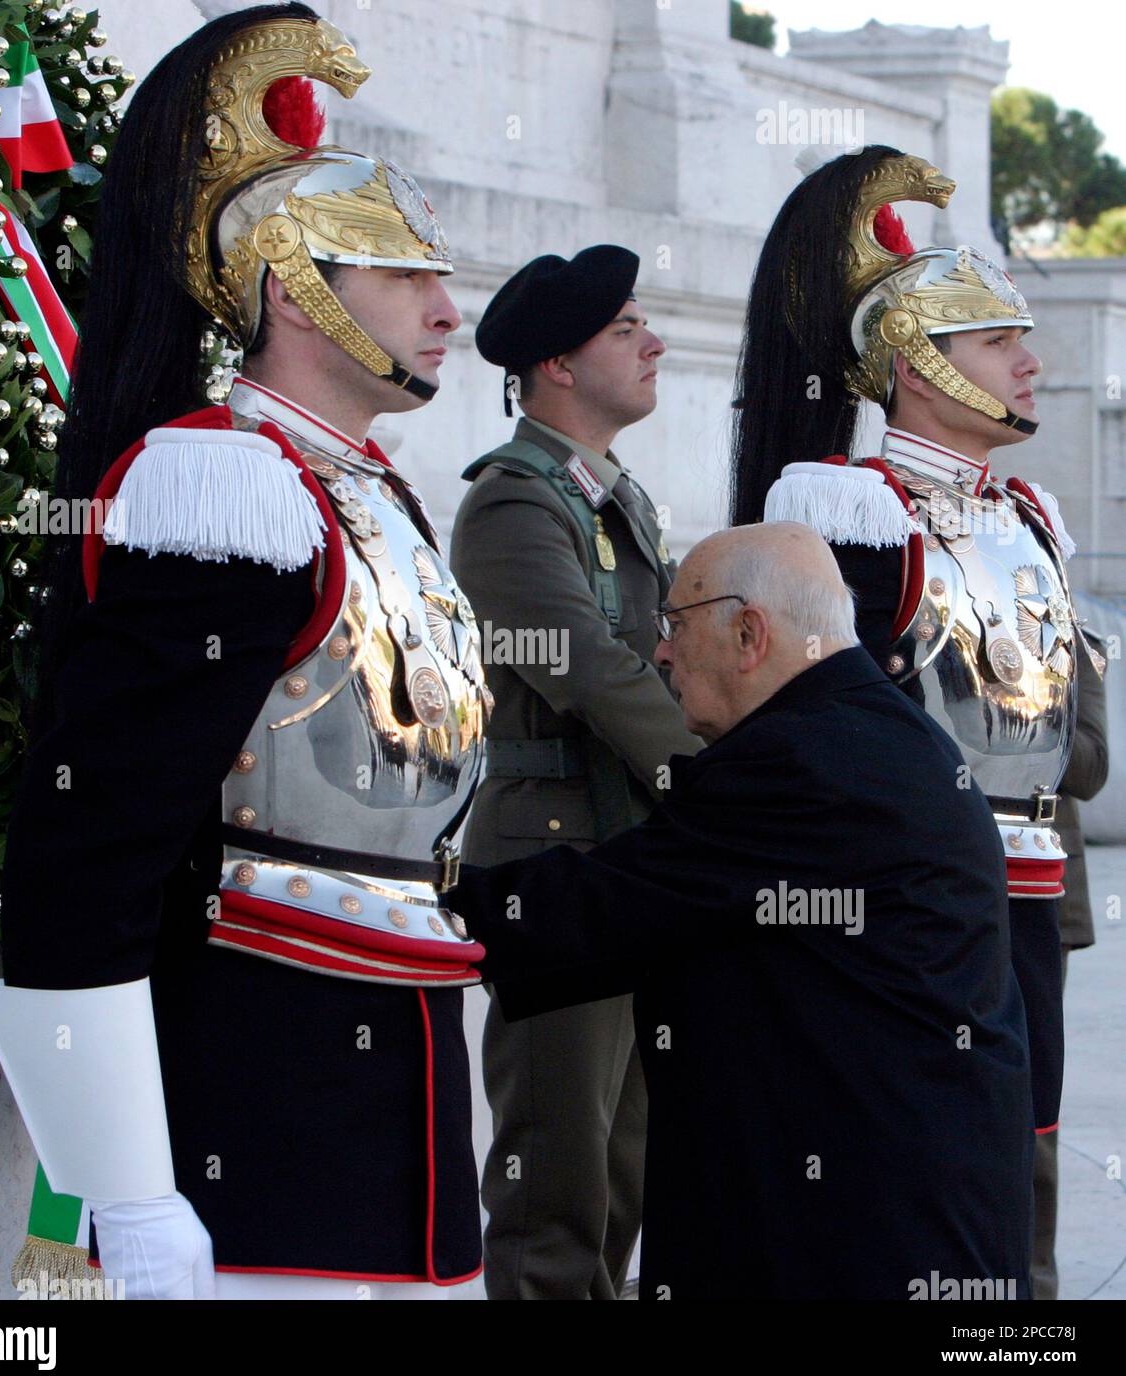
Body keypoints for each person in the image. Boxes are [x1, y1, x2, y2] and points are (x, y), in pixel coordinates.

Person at [0, 4, 491, 1300]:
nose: (446, 306)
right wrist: (132, 1190)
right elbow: (88, 850)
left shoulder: (368, 493)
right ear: (291, 286)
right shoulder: (222, 490)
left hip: (400, 1104)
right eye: (404, 272)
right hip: (255, 1122)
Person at [445, 522, 1034, 1300]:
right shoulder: (867, 729)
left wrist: (416, 902)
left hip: (856, 1247)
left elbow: (602, 910)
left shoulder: (803, 762)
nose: (659, 654)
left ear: (749, 633)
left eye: (674, 627)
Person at [728, 145, 1105, 1201]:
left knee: (1019, 1165)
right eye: (998, 342)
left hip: (1028, 888)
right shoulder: (846, 511)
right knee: (914, 1163)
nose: (1028, 363)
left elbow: (1078, 719)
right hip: (902, 900)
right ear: (914, 361)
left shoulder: (1029, 517)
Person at [451, 247, 703, 1299]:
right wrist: (716, 785)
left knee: (625, 1174)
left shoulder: (610, 496)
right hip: (553, 870)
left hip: (627, 857)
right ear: (556, 363)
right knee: (555, 1187)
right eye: (625, 329)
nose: (655, 343)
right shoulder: (515, 505)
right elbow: (591, 670)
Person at [1031, 632, 1110, 1298]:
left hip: (1042, 902)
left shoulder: (1066, 637)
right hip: (937, 888)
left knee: (1032, 1117)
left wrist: (1009, 710)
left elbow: (1089, 766)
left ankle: (1034, 1293)